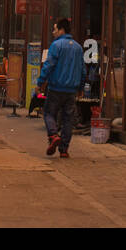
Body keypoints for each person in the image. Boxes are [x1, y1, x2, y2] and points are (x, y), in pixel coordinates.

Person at [39, 18, 85, 158]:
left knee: (48, 113)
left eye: (54, 29)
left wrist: (40, 83)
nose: (53, 33)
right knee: (68, 120)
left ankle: (53, 135)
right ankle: (64, 150)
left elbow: (49, 65)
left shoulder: (56, 45)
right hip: (71, 91)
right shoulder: (78, 48)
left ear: (61, 30)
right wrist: (81, 87)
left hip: (55, 88)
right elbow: (82, 70)